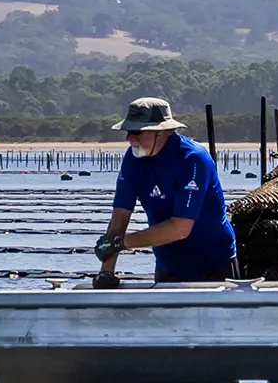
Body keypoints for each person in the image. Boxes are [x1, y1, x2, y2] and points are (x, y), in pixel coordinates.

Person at [97, 97, 237, 285]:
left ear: (160, 132)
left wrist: (121, 243)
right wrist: (106, 272)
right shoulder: (133, 158)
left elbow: (180, 228)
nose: (129, 138)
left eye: (136, 132)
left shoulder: (193, 159)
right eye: (128, 131)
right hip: (167, 266)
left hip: (214, 266)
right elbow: (120, 217)